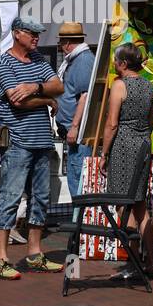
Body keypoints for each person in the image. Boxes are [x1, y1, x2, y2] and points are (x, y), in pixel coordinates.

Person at [0, 16, 64, 280]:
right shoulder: (4, 63)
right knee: (11, 197)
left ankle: (34, 254)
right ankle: (1, 258)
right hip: (17, 141)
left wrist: (35, 87)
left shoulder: (39, 62)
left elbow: (59, 86)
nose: (37, 37)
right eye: (32, 33)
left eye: (38, 33)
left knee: (41, 199)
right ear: (17, 33)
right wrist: (46, 100)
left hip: (41, 140)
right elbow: (16, 101)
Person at [100, 43, 153, 281]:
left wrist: (104, 153)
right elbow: (152, 118)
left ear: (123, 64)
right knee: (140, 206)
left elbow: (112, 123)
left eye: (116, 61)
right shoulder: (148, 86)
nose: (114, 64)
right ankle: (150, 262)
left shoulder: (119, 85)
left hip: (124, 146)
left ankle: (133, 261)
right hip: (143, 145)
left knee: (123, 204)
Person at [54, 22, 96, 200]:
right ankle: (78, 220)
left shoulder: (83, 60)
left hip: (78, 132)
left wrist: (74, 126)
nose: (61, 46)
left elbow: (84, 97)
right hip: (74, 131)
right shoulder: (76, 60)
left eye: (61, 42)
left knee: (79, 177)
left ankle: (80, 222)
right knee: (75, 174)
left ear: (67, 42)